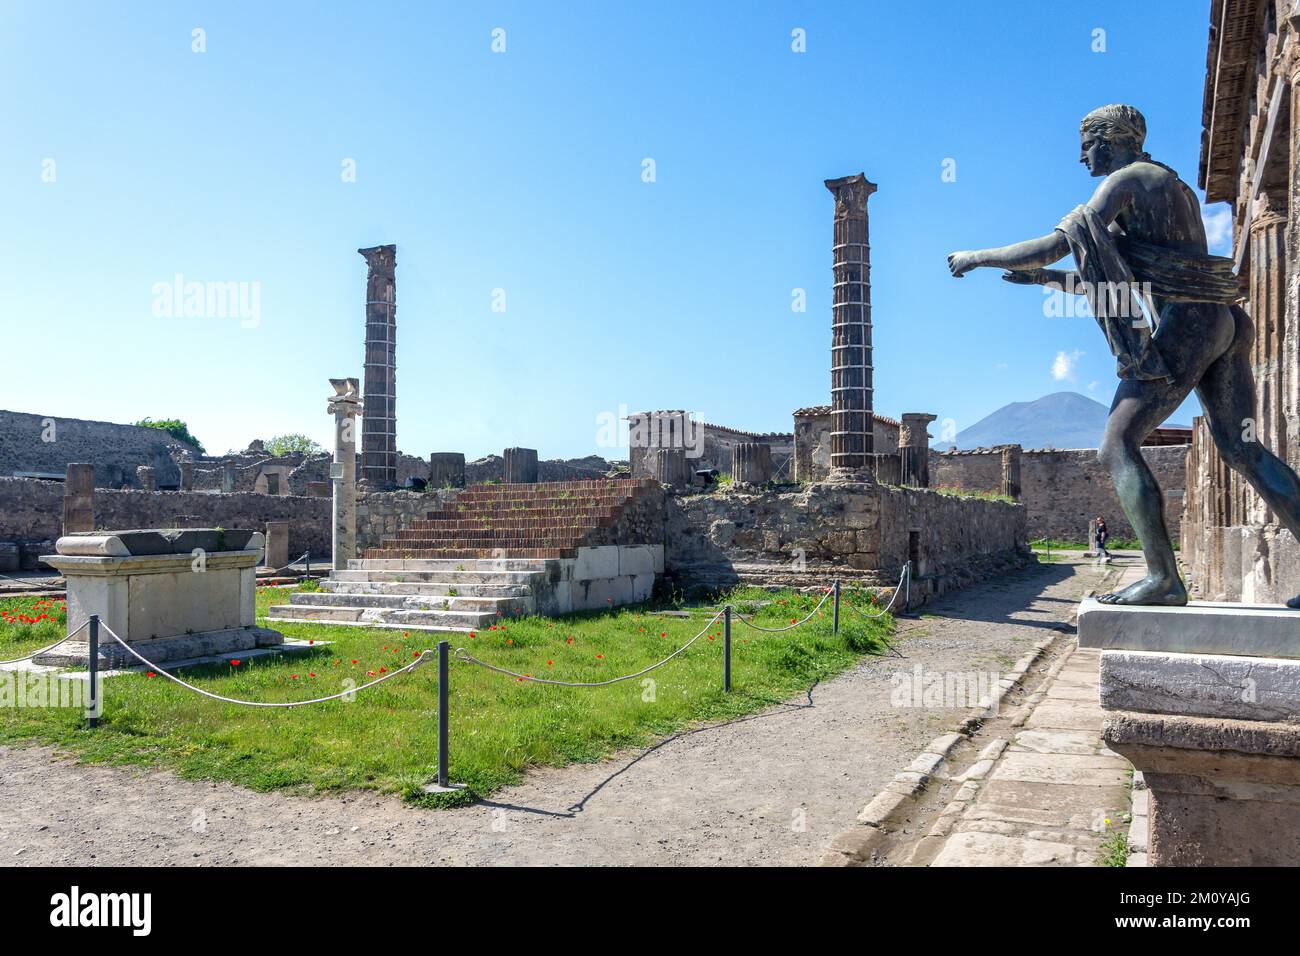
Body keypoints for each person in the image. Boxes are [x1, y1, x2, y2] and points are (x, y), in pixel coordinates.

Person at [946, 104, 1300, 608]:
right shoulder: (1171, 186)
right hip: (1223, 321)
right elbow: (1115, 279)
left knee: (1115, 446)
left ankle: (1162, 578)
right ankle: (1164, 577)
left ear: (1112, 140)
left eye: (1088, 144)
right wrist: (1043, 280)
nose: (1082, 156)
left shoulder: (1125, 182)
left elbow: (1053, 246)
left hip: (1188, 326)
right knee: (1243, 450)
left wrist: (976, 257)